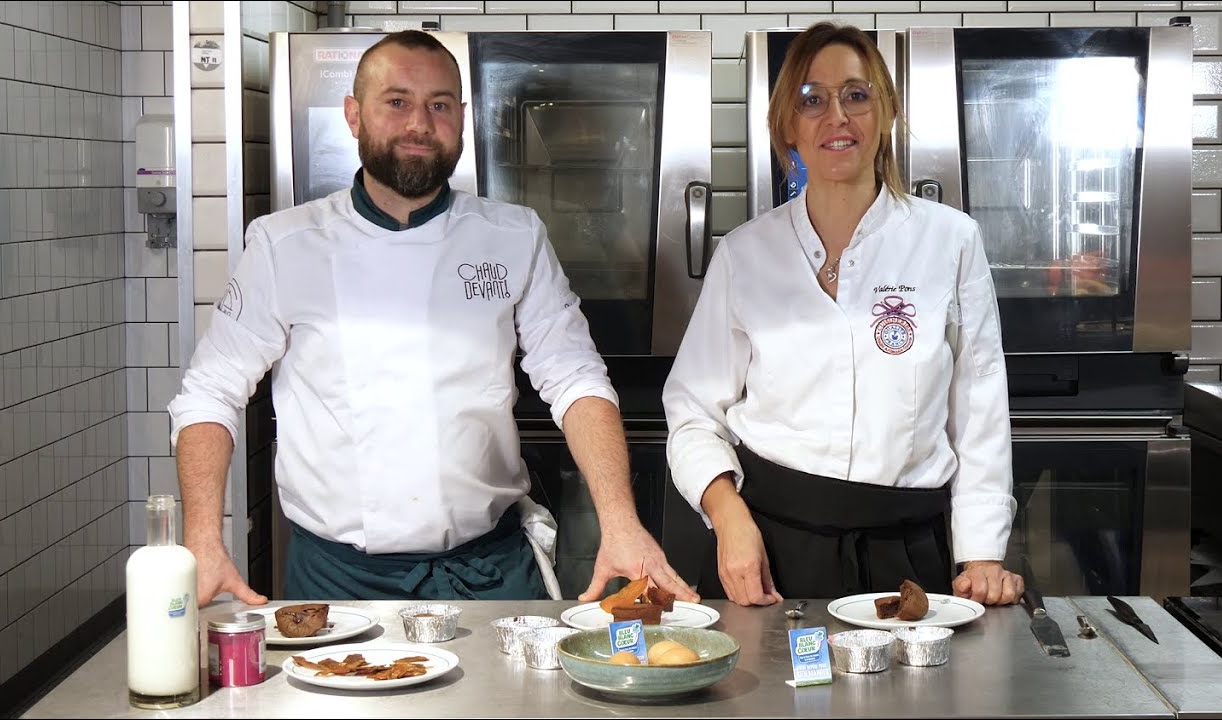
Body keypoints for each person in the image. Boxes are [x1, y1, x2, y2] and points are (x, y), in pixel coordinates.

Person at [168, 30, 695, 607]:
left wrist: (618, 520)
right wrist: (202, 537)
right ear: (354, 115)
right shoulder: (282, 245)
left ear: (463, 119)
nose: (420, 123)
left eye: (439, 105)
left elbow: (576, 379)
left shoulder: (513, 236)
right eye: (396, 102)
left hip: (489, 569)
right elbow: (210, 393)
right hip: (339, 579)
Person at [662, 22, 1024, 608]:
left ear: (886, 113)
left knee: (911, 702)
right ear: (787, 124)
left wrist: (981, 554)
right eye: (812, 99)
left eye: (857, 95)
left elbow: (979, 406)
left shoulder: (951, 241)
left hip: (908, 551)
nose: (838, 117)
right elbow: (693, 410)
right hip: (770, 550)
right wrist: (728, 517)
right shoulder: (745, 254)